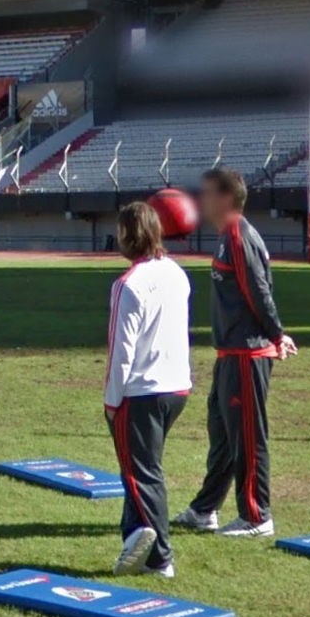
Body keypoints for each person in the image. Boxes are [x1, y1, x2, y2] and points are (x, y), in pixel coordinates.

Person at [174, 167, 296, 539]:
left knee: (247, 437)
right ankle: (204, 509)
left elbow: (258, 291)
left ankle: (257, 516)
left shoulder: (239, 235)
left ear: (226, 198)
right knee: (223, 436)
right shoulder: (227, 236)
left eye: (208, 193)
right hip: (229, 353)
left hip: (247, 355)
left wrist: (277, 334)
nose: (201, 200)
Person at [104, 201, 193, 577]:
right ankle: (133, 537)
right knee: (141, 469)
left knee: (142, 474)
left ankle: (160, 558)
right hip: (177, 387)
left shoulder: (127, 285)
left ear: (128, 235)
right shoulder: (176, 273)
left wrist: (112, 400)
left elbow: (121, 350)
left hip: (141, 390)